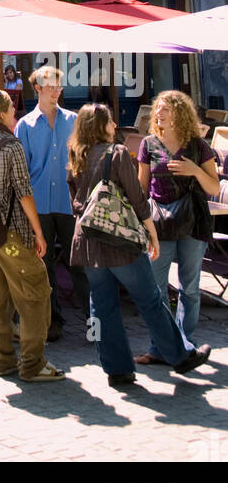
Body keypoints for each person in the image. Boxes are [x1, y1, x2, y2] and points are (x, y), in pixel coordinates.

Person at [68, 103, 211, 387]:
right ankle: (180, 355)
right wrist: (152, 234)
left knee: (102, 304)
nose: (114, 126)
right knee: (150, 300)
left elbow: (74, 198)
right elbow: (137, 198)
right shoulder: (117, 153)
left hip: (87, 241)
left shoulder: (76, 155)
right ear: (102, 125)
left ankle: (116, 369)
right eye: (110, 121)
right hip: (120, 240)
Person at [0, 88, 62, 381]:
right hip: (12, 233)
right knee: (34, 294)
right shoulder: (11, 145)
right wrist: (38, 232)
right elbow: (24, 192)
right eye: (10, 109)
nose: (14, 114)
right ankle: (33, 363)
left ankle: (2, 359)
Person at [136, 90, 220, 359]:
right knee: (157, 289)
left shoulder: (198, 145)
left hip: (193, 222)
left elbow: (214, 186)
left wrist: (195, 170)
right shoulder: (148, 144)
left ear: (180, 113)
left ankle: (185, 344)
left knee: (190, 287)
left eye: (165, 109)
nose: (158, 113)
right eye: (157, 108)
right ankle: (160, 347)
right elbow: (141, 188)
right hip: (159, 224)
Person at [15, 64, 89, 341]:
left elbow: (84, 157)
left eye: (59, 86)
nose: (56, 91)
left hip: (70, 202)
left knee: (79, 263)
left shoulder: (74, 120)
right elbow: (21, 167)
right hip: (40, 203)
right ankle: (51, 322)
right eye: (51, 86)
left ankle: (94, 323)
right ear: (38, 88)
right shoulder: (25, 125)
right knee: (43, 266)